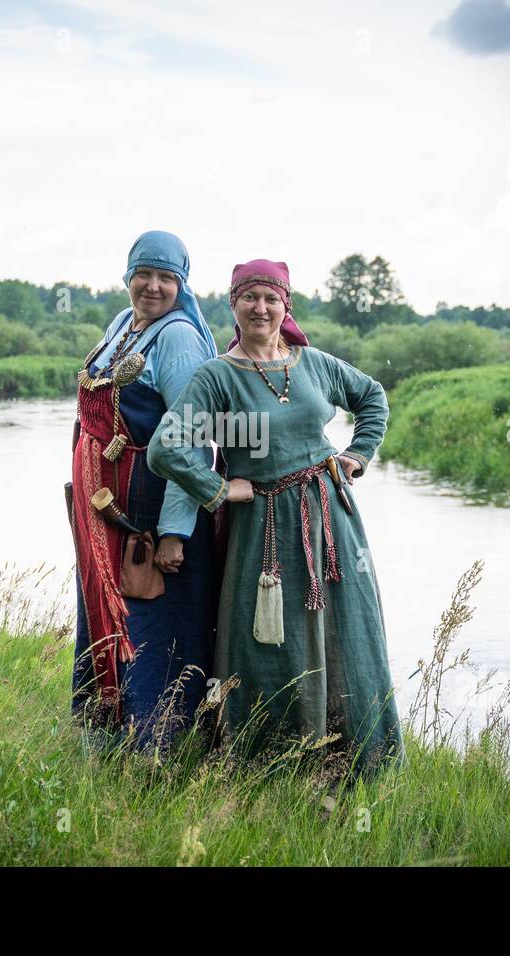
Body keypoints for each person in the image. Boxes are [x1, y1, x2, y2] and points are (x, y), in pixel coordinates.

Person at [147, 259, 404, 779]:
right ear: (234, 305)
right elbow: (165, 448)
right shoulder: (217, 377)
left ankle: (354, 758)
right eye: (249, 298)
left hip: (332, 519)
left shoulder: (313, 363)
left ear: (286, 305)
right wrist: (218, 488)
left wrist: (359, 453)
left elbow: (372, 396)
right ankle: (270, 763)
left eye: (270, 298)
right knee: (268, 641)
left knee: (347, 631)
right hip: (263, 527)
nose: (260, 308)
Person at [69, 230, 222, 753]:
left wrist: (176, 532)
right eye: (144, 275)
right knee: (105, 609)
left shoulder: (178, 339)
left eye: (166, 278)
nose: (153, 287)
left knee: (149, 619)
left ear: (181, 282)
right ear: (127, 276)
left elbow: (194, 439)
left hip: (149, 513)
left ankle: (152, 747)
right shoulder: (123, 323)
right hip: (106, 509)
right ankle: (101, 729)